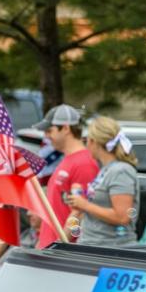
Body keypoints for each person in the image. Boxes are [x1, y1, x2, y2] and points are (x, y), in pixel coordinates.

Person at [64, 116, 140, 247]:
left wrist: (85, 205)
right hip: (95, 246)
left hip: (111, 249)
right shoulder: (106, 169)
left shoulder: (121, 171)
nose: (86, 145)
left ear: (94, 142)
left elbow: (122, 217)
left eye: (87, 140)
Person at [36, 104, 98, 247]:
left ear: (65, 128)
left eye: (49, 130)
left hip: (60, 252)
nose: (46, 136)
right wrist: (41, 243)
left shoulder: (84, 163)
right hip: (50, 248)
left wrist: (59, 245)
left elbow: (80, 213)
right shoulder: (68, 159)